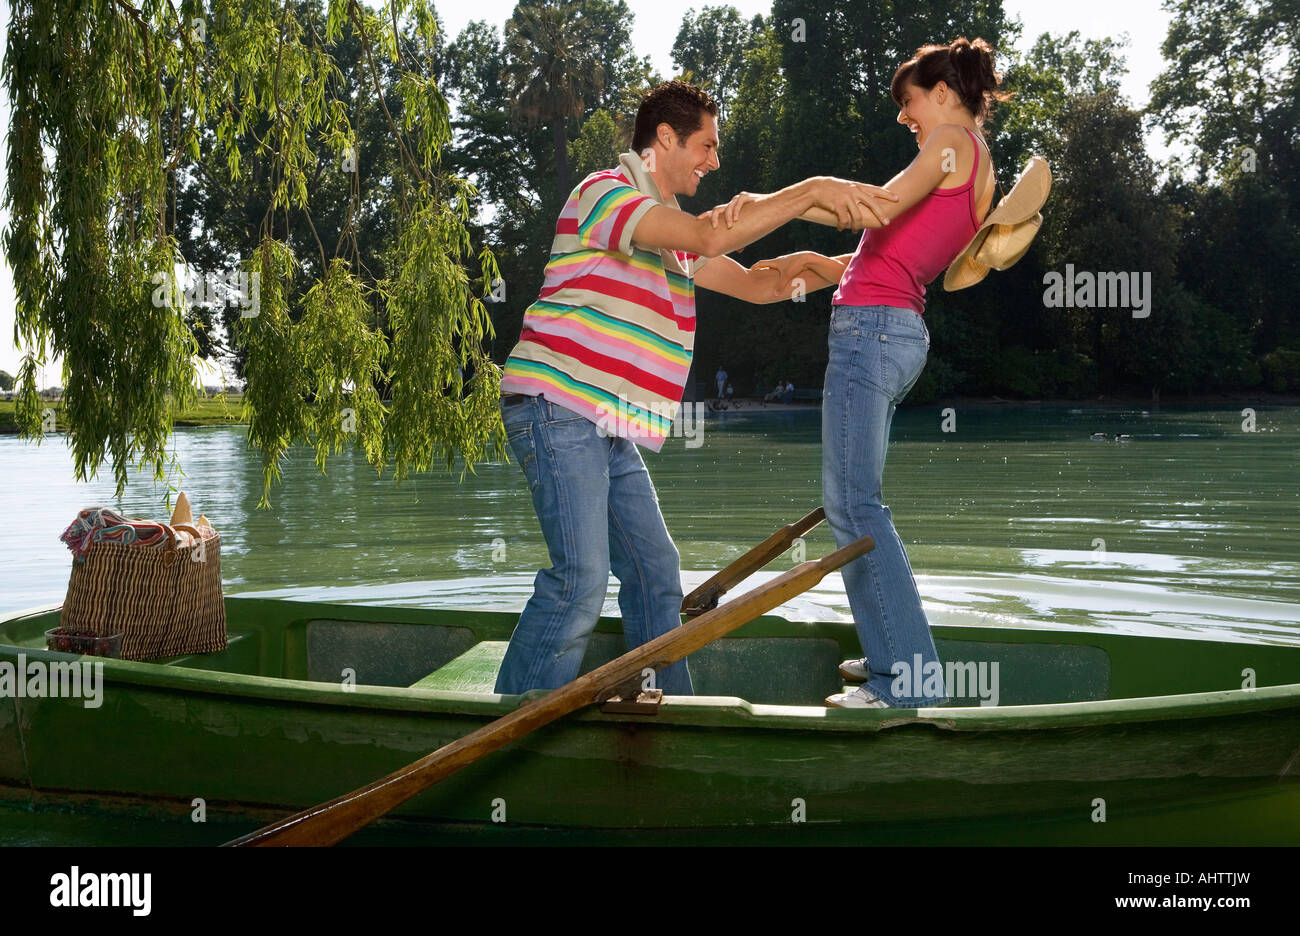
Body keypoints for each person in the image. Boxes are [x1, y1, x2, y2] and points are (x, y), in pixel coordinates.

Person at [495, 80, 899, 696]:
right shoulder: (605, 195)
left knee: (657, 574)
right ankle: (508, 722)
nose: (714, 161)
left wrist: (870, 267)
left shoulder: (672, 235)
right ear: (665, 138)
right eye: (706, 145)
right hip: (556, 408)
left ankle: (670, 710)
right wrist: (811, 191)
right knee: (580, 581)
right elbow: (711, 237)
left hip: (602, 423)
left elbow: (763, 283)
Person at [711, 37, 1007, 708]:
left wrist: (801, 191)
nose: (904, 119)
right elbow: (877, 226)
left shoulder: (950, 142)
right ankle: (894, 661)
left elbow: (871, 206)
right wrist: (781, 206)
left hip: (871, 333)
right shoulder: (975, 161)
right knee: (856, 503)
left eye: (908, 104)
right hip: (892, 329)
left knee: (855, 506)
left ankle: (906, 678)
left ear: (940, 93)